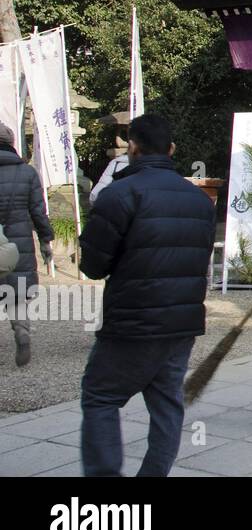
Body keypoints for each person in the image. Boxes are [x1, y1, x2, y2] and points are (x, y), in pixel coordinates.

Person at [76, 113, 215, 476]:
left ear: (132, 148)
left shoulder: (119, 194)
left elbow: (93, 265)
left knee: (101, 397)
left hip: (132, 322)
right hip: (181, 323)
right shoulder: (199, 200)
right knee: (167, 404)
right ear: (171, 149)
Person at [0, 123, 54, 368]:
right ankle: (21, 332)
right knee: (16, 295)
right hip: (18, 239)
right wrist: (45, 239)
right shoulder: (28, 173)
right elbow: (38, 211)